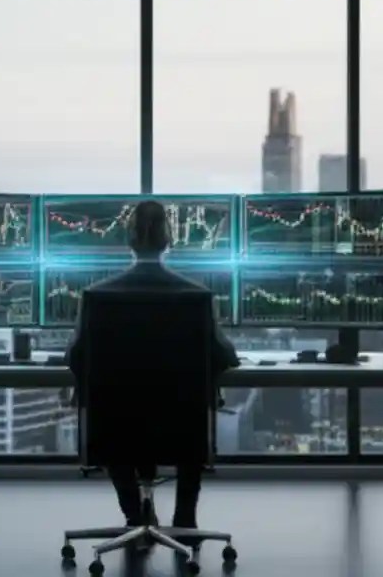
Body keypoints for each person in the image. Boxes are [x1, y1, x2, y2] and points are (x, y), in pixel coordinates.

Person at [66, 200, 239, 532]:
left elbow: (76, 357)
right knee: (188, 433)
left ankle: (134, 514)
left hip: (117, 426)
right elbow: (223, 355)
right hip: (179, 426)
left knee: (118, 437)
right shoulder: (195, 295)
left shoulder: (97, 296)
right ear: (168, 240)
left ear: (129, 241)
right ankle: (185, 520)